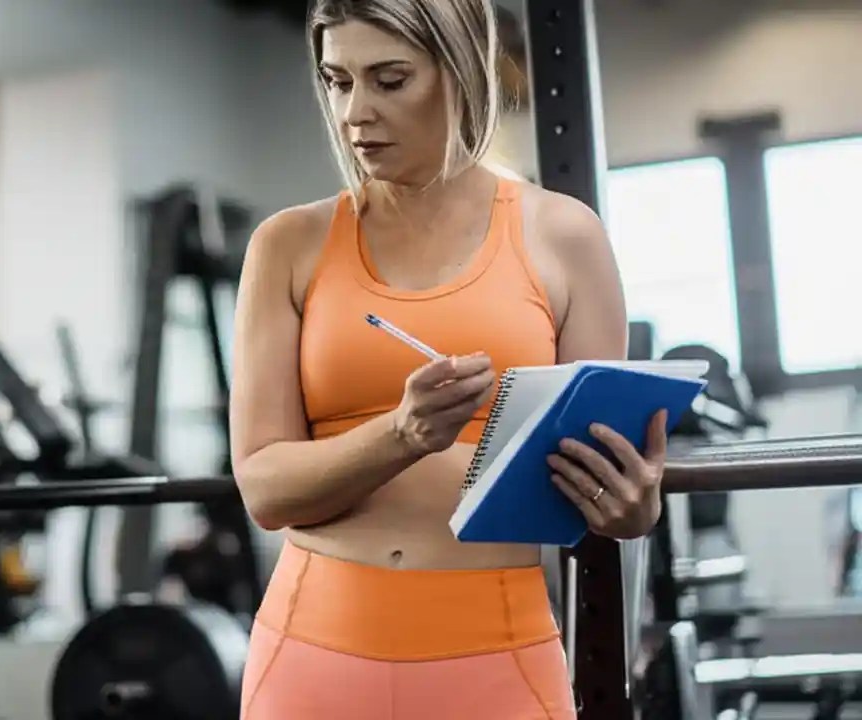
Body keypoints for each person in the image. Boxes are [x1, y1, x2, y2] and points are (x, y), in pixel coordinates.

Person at [228, 1, 669, 718]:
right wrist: (402, 434)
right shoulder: (288, 245)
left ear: (459, 73)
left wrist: (632, 507)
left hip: (497, 655)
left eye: (389, 80)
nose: (354, 113)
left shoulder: (563, 236)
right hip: (313, 653)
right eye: (337, 82)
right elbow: (265, 487)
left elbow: (601, 475)